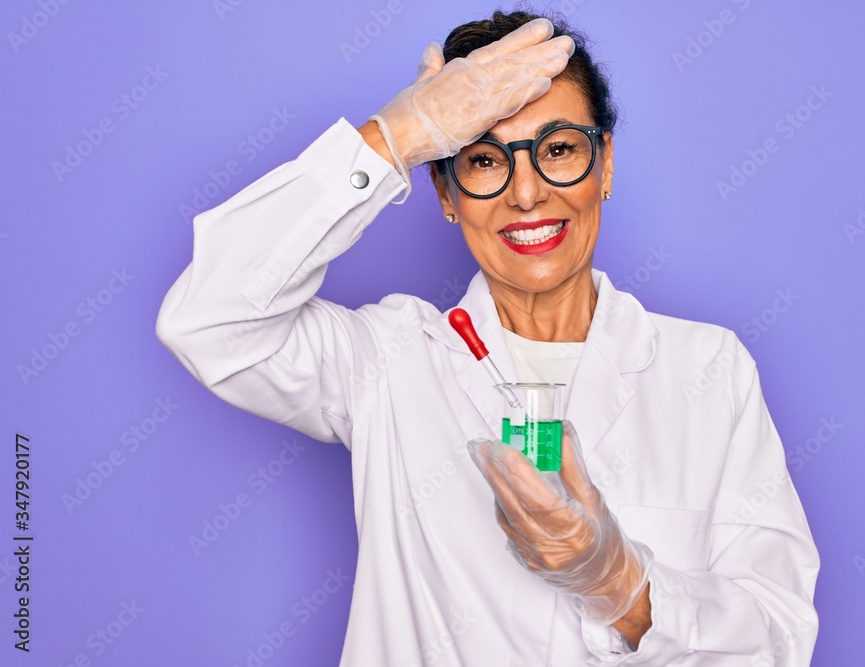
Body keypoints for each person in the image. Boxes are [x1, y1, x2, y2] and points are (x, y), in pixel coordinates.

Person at [156, 9, 820, 666]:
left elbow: (780, 638)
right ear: (445, 192)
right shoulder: (387, 362)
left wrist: (621, 585)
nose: (527, 193)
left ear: (606, 164)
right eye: (481, 160)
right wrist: (398, 136)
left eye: (559, 149)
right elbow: (208, 319)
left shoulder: (707, 369)